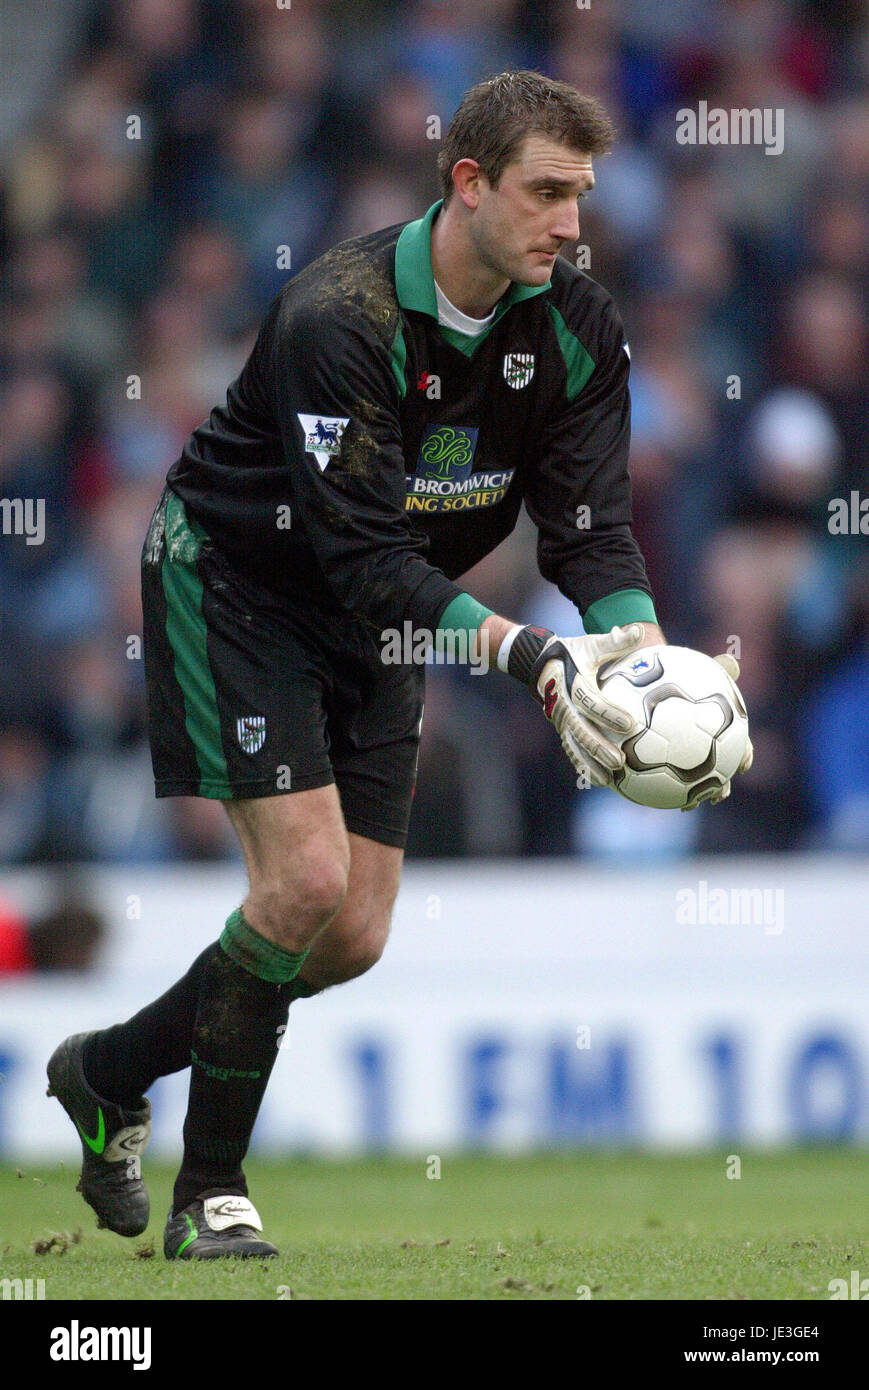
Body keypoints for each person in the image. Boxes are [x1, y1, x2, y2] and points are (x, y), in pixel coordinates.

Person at [47, 70, 749, 1259]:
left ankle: (107, 1070)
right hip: (239, 581)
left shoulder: (576, 324)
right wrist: (530, 653)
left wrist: (637, 657)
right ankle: (210, 1192)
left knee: (355, 931)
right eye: (544, 193)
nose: (570, 223)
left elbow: (587, 528)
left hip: (388, 604)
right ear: (466, 183)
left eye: (578, 194)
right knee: (305, 880)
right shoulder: (341, 315)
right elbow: (364, 554)